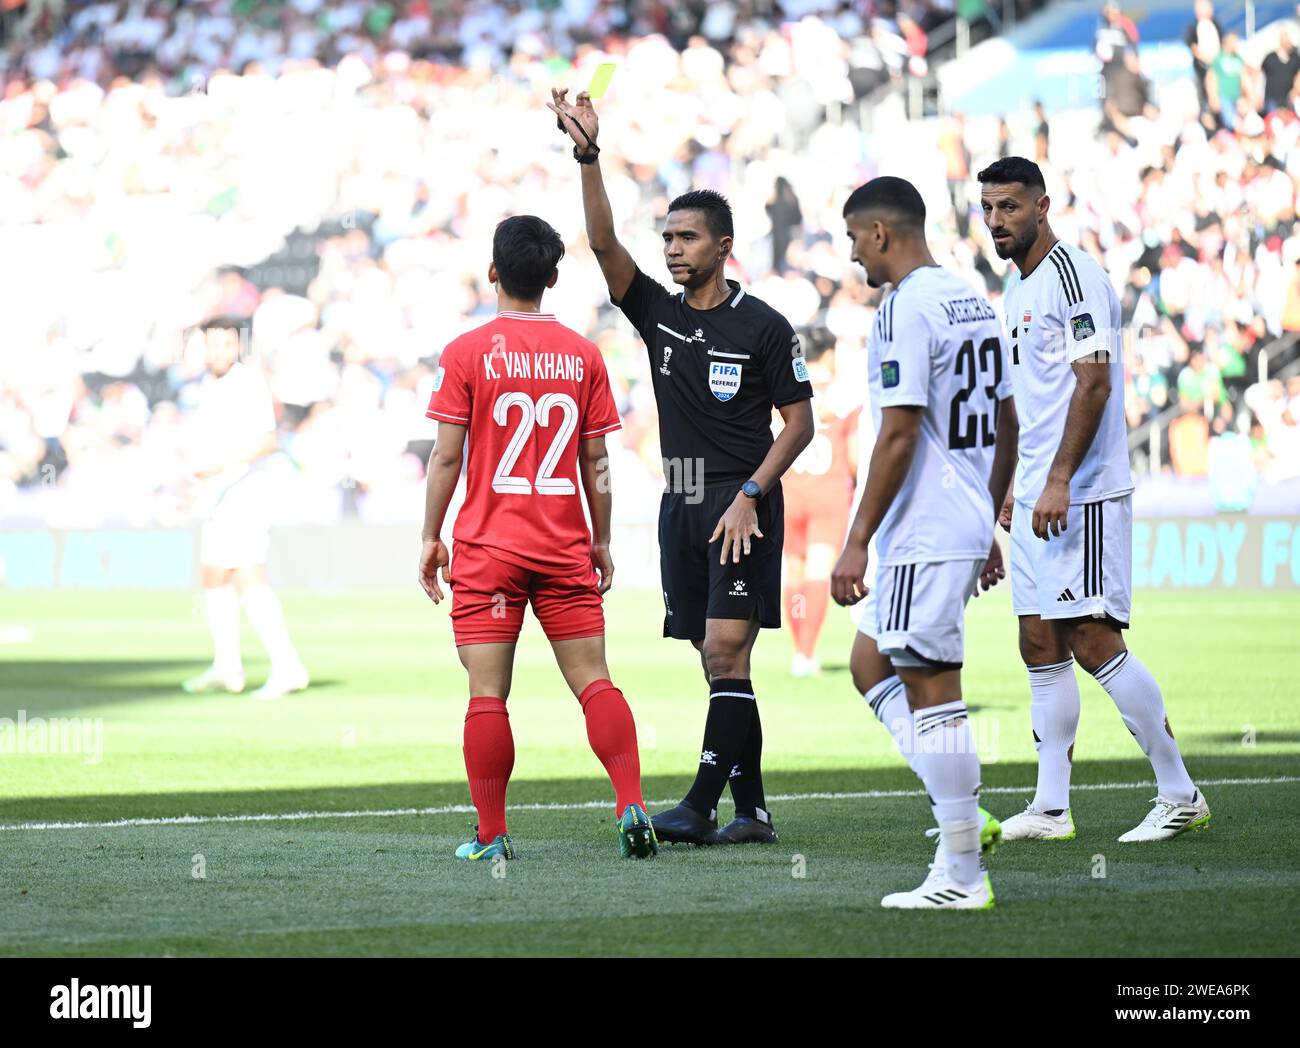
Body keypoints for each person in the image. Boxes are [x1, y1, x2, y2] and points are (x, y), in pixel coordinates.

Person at [548, 87, 814, 846]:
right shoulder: (659, 315)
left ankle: (698, 806)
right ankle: (754, 813)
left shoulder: (763, 325)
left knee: (728, 650)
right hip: (683, 501)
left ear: (722, 247)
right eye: (667, 237)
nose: (672, 249)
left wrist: (753, 496)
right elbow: (603, 247)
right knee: (716, 662)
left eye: (687, 238)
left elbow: (800, 425)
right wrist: (589, 155)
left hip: (742, 501)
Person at [978, 156, 1210, 843]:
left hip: (1083, 494)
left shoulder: (1076, 278)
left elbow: (1095, 382)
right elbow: (1019, 406)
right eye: (988, 208)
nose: (997, 221)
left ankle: (1180, 791)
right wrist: (1008, 490)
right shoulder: (1016, 290)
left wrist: (1056, 480)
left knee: (1089, 636)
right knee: (1037, 640)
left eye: (1010, 207)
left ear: (1042, 206)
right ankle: (1051, 808)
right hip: (1034, 498)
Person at [419, 215, 656, 862]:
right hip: (562, 546)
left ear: (494, 272)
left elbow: (445, 459)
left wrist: (430, 537)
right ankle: (631, 801)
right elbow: (597, 460)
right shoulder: (584, 356)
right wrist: (601, 539)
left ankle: (493, 836)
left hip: (490, 550)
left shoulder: (465, 353)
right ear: (552, 278)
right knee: (595, 683)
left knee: (488, 693)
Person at [830, 176, 1011, 911]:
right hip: (959, 515)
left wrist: (857, 542)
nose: (852, 257)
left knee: (933, 687)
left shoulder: (903, 308)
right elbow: (1007, 414)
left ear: (879, 232)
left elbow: (901, 431)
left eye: (852, 240)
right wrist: (989, 516)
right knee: (869, 660)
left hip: (924, 526)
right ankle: (963, 809)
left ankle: (962, 867)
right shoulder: (969, 295)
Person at [182, 317, 309, 701]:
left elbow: (268, 440)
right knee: (214, 575)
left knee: (247, 574)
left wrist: (220, 467)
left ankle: (288, 667)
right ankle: (227, 666)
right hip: (218, 496)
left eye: (225, 344)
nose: (218, 352)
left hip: (246, 494)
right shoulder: (206, 385)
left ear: (237, 347)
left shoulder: (247, 382)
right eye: (211, 344)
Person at [782, 334, 858, 678]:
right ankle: (808, 652)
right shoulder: (843, 393)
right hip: (827, 493)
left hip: (788, 491)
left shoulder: (783, 385)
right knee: (817, 573)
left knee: (794, 573)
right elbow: (855, 456)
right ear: (829, 354)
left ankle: (800, 651)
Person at [1260, 30, 1300, 114]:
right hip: (1272, 100)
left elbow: (1298, 76)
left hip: (1288, 100)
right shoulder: (1270, 58)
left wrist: (1295, 91)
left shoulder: (1295, 58)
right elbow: (1260, 76)